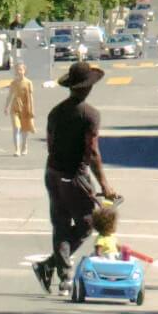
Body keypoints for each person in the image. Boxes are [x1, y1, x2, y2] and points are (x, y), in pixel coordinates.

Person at [31, 61, 118, 295]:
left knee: (60, 224)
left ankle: (60, 275)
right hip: (75, 174)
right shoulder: (90, 115)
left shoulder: (56, 112)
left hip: (52, 172)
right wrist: (105, 185)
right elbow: (93, 152)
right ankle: (54, 267)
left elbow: (50, 145)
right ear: (88, 87)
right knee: (87, 223)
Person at [3, 62, 36, 157]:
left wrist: (32, 109)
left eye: (21, 70)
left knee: (25, 129)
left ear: (24, 71)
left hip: (26, 107)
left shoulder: (28, 82)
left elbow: (31, 97)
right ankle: (17, 149)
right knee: (16, 128)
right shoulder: (13, 83)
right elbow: (10, 95)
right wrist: (6, 107)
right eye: (17, 70)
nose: (19, 71)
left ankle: (24, 146)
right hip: (15, 107)